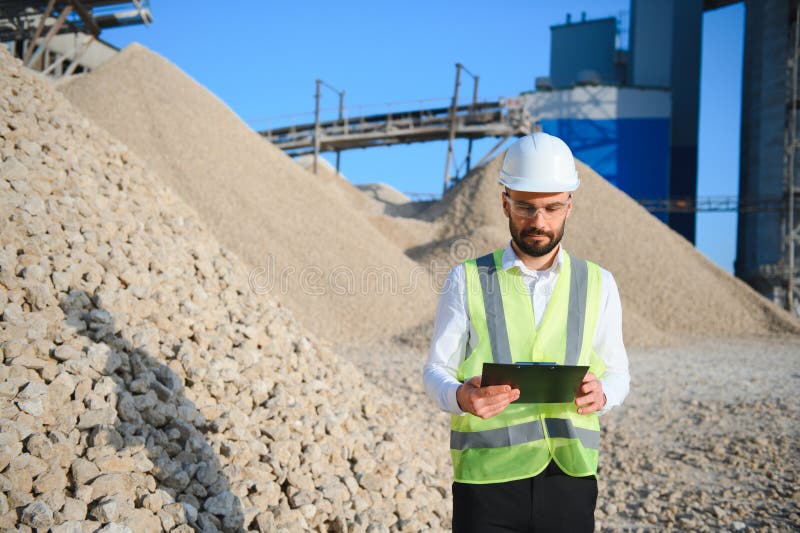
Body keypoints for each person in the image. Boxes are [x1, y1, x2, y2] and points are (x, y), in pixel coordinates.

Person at [423, 131, 630, 532]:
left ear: (570, 205)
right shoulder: (466, 279)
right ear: (505, 202)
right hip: (486, 483)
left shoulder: (599, 283)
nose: (539, 222)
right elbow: (435, 370)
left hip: (568, 481)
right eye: (526, 208)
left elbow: (619, 373)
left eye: (552, 208)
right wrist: (462, 396)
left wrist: (603, 394)